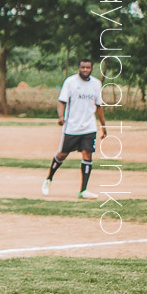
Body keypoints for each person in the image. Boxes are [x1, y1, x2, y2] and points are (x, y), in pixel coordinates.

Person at [42, 58, 107, 199]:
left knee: (87, 155)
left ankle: (83, 190)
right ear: (79, 68)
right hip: (72, 127)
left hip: (89, 126)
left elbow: (99, 106)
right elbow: (61, 101)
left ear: (91, 68)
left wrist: (103, 126)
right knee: (62, 155)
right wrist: (60, 117)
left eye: (88, 67)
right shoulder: (70, 82)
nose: (85, 70)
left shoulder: (96, 84)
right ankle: (48, 179)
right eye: (82, 67)